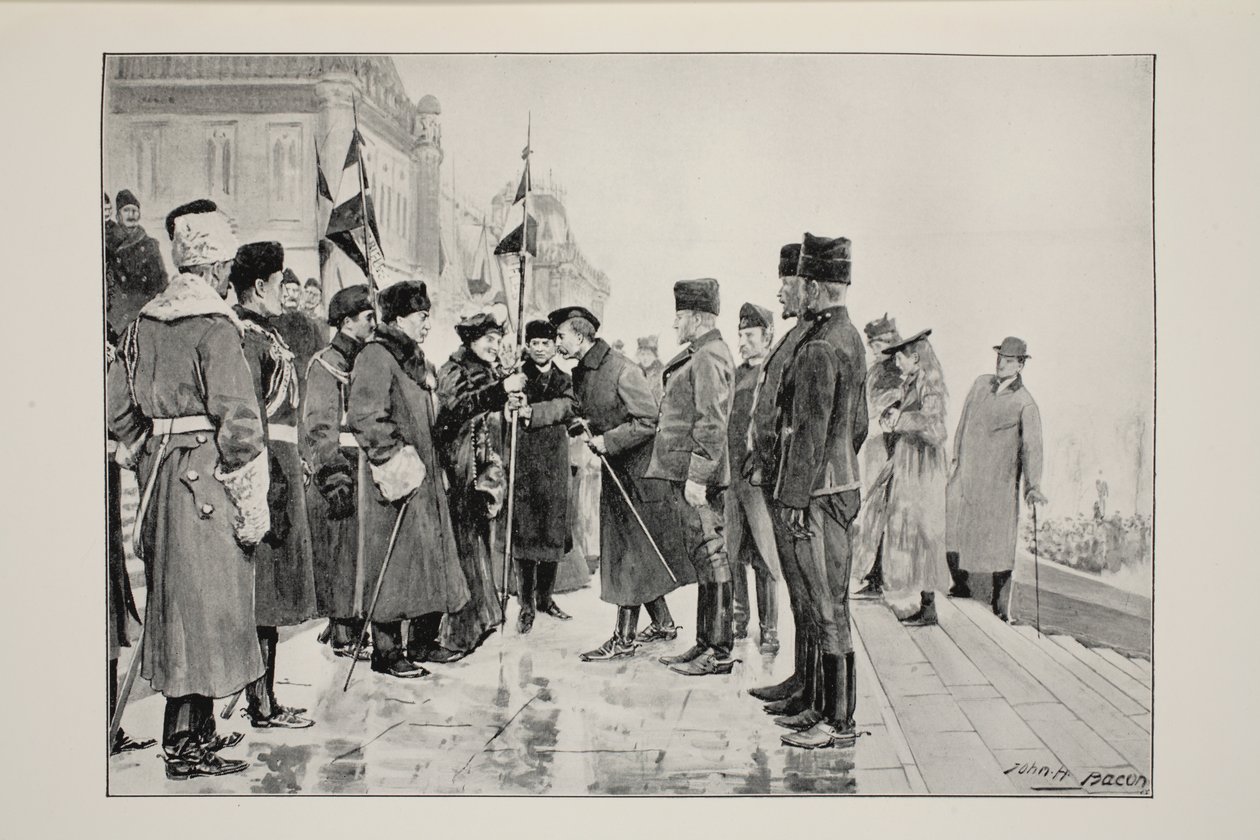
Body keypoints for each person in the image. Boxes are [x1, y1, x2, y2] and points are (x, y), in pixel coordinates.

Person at [107, 206, 264, 779]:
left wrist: (148, 450)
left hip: (162, 479)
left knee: (181, 606)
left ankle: (198, 731)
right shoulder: (216, 326)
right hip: (209, 478)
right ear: (217, 267)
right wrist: (247, 490)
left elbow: (118, 409)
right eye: (226, 268)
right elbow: (240, 423)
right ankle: (183, 745)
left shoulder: (142, 323)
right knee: (205, 609)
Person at [551, 306, 692, 661]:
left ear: (580, 337)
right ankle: (662, 624)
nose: (557, 343)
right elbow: (586, 411)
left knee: (627, 556)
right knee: (637, 553)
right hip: (618, 476)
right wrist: (581, 425)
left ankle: (624, 640)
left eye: (561, 336)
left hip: (640, 478)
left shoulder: (621, 368)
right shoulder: (583, 370)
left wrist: (607, 441)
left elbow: (647, 421)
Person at [347, 281, 471, 676]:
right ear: (400, 318)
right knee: (394, 564)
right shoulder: (375, 356)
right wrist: (396, 460)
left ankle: (423, 642)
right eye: (421, 316)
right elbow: (365, 416)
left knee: (429, 560)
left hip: (427, 479)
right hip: (396, 480)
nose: (428, 324)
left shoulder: (419, 362)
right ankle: (385, 652)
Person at [773, 232, 867, 750]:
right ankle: (829, 714)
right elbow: (859, 427)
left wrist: (792, 499)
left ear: (812, 286)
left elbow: (807, 435)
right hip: (842, 485)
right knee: (832, 603)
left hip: (815, 495)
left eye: (800, 285)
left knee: (827, 606)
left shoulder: (819, 347)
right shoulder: (851, 337)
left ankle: (838, 722)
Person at [228, 242, 318, 730]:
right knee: (263, 593)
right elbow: (250, 417)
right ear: (260, 286)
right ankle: (260, 706)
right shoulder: (247, 339)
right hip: (265, 471)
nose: (289, 291)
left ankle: (267, 700)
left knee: (276, 593)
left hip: (283, 462)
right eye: (283, 282)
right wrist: (269, 478)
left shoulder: (268, 334)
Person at [649, 279, 738, 677]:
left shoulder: (709, 356)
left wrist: (698, 476)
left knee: (712, 556)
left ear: (698, 318)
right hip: (688, 474)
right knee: (705, 557)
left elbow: (712, 423)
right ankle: (706, 642)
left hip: (699, 478)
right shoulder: (701, 353)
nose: (675, 324)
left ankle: (718, 651)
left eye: (680, 317)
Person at [743, 243, 813, 712]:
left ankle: (813, 693)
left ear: (807, 287)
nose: (781, 293)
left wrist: (783, 469)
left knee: (810, 596)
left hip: (796, 485)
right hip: (775, 479)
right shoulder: (797, 336)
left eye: (786, 285)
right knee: (799, 592)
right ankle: (801, 682)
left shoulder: (813, 340)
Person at [435, 312, 522, 654]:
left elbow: (486, 406)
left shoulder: (484, 369)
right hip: (457, 467)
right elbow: (453, 412)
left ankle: (479, 620)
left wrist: (505, 401)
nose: (494, 346)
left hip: (479, 465)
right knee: (462, 544)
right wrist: (498, 392)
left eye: (498, 340)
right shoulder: (453, 370)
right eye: (489, 339)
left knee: (477, 541)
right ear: (470, 340)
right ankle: (456, 631)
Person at [856, 329, 953, 626]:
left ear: (915, 357)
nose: (895, 361)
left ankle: (929, 607)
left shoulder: (930, 385)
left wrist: (901, 420)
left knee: (924, 534)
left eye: (900, 355)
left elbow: (936, 430)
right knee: (912, 533)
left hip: (923, 472)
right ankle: (923, 603)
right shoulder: (913, 382)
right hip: (909, 466)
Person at [946, 336, 1047, 620]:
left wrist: (1033, 485)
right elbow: (963, 423)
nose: (1001, 364)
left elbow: (1032, 448)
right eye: (1000, 358)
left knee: (999, 543)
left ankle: (1000, 605)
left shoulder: (1025, 403)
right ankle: (960, 583)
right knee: (953, 529)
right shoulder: (980, 384)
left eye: (1009, 360)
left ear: (1021, 365)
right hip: (965, 475)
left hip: (997, 483)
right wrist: (955, 459)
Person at [302, 285, 375, 658]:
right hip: (341, 470)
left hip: (367, 467)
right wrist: (334, 476)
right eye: (367, 318)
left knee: (362, 551)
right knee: (341, 553)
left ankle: (355, 623)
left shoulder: (367, 359)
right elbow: (319, 426)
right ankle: (344, 629)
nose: (374, 324)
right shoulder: (326, 363)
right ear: (347, 322)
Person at [510, 319, 580, 633]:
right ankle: (526, 606)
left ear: (554, 345)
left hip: (554, 465)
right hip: (523, 466)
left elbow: (568, 407)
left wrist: (532, 412)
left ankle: (546, 599)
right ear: (527, 345)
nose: (539, 348)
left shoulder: (565, 379)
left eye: (545, 343)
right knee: (525, 534)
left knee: (552, 532)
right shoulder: (515, 377)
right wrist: (512, 404)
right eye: (534, 343)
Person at [727, 302, 783, 654]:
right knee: (733, 554)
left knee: (764, 556)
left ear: (767, 337)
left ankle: (770, 628)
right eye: (741, 336)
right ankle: (738, 622)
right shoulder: (734, 375)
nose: (743, 342)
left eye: (749, 336)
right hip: (732, 480)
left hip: (759, 482)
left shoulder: (773, 375)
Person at [851, 314, 904, 599]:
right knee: (872, 512)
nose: (875, 348)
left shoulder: (894, 372)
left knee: (879, 511)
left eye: (880, 343)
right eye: (872, 344)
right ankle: (872, 574)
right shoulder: (876, 369)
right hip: (873, 446)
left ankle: (877, 577)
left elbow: (890, 412)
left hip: (885, 446)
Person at [105, 189, 169, 336]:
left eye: (134, 211)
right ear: (118, 215)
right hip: (113, 319)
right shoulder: (106, 243)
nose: (131, 215)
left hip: (141, 316)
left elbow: (161, 283)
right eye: (126, 210)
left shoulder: (149, 245)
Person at [636, 335, 664, 402]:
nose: (645, 358)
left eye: (649, 354)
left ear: (655, 356)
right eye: (642, 354)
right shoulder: (635, 370)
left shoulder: (661, 371)